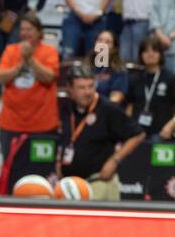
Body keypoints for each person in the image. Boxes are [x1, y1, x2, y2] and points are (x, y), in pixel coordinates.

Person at [56, 63, 144, 202]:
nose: (87, 92)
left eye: (91, 86)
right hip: (71, 185)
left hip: (98, 182)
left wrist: (114, 160)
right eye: (81, 87)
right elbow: (65, 138)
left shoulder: (107, 108)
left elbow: (137, 134)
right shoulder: (67, 108)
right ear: (70, 89)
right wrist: (58, 161)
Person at [0, 12, 58, 159]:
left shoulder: (49, 51)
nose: (25, 33)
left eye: (29, 29)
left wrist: (30, 59)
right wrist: (20, 66)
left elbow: (49, 77)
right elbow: (1, 78)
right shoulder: (11, 50)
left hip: (43, 125)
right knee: (11, 169)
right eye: (22, 29)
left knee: (41, 172)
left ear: (39, 32)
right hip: (11, 124)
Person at [128, 36, 175, 141]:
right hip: (136, 131)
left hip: (161, 131)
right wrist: (128, 126)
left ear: (160, 54)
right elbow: (129, 105)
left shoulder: (170, 78)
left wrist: (172, 124)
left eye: (154, 50)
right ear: (141, 55)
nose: (150, 54)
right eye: (146, 51)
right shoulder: (134, 78)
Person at [88, 30, 128, 105]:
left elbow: (116, 98)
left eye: (107, 42)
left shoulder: (119, 70)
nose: (102, 44)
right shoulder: (86, 66)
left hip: (107, 111)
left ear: (114, 48)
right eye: (100, 40)